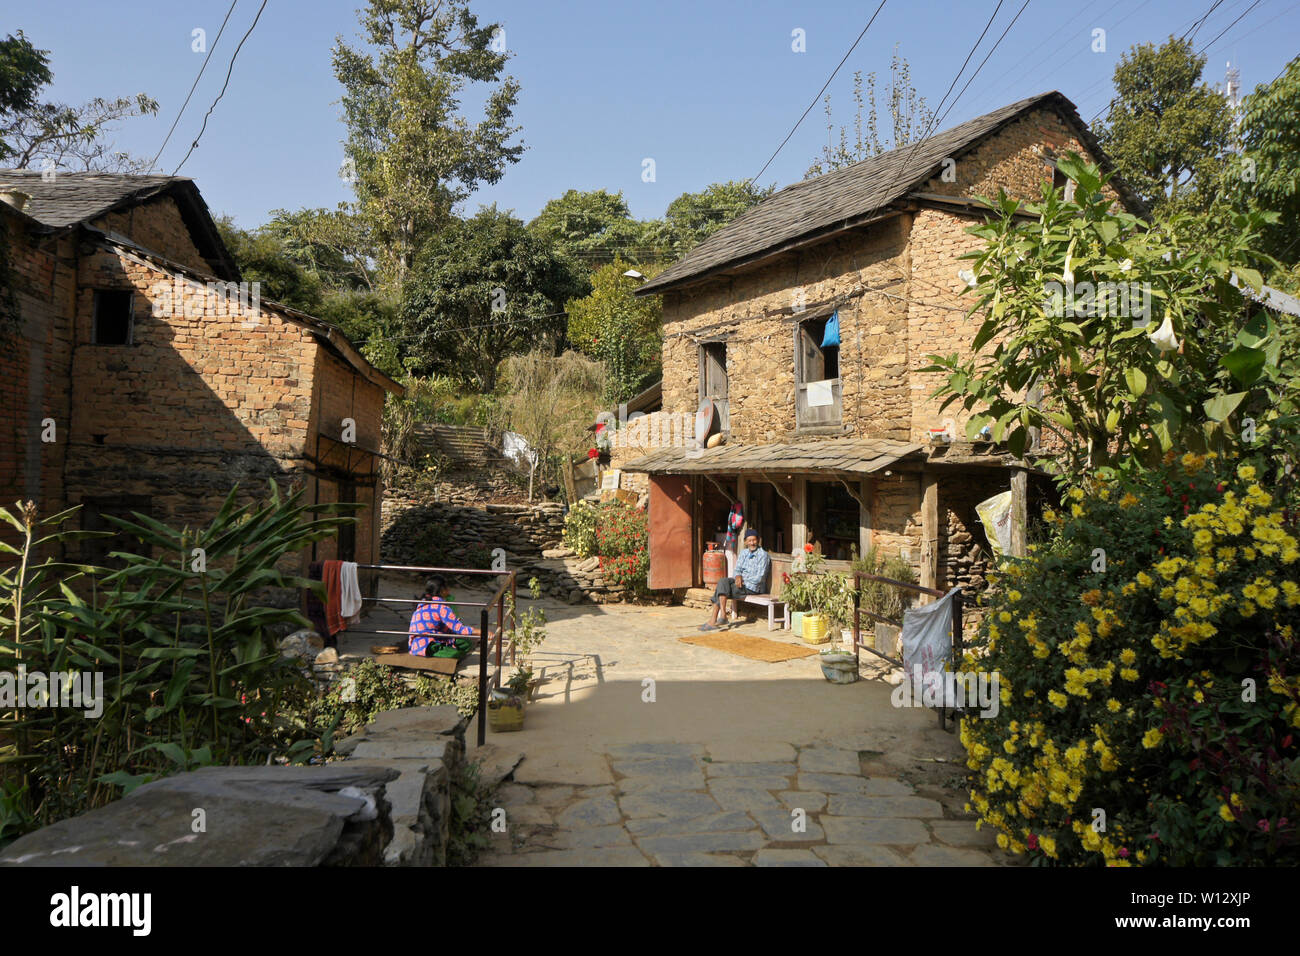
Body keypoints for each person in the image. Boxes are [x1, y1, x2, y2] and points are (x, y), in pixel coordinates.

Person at [700, 528, 769, 631]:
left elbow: (759, 577)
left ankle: (715, 619)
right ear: (745, 542)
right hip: (741, 583)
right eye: (749, 541)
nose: (752, 543)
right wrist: (737, 576)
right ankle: (722, 614)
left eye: (754, 540)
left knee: (721, 588)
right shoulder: (744, 553)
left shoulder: (763, 555)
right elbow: (737, 569)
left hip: (753, 587)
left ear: (758, 540)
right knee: (723, 581)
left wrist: (742, 579)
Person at [408, 575, 477, 657]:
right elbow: (459, 629)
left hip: (427, 639)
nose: (449, 589)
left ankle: (445, 651)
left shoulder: (422, 603)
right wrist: (481, 632)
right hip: (428, 644)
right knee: (455, 654)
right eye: (447, 587)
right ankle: (447, 654)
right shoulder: (441, 607)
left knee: (466, 642)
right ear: (442, 590)